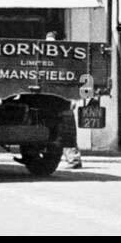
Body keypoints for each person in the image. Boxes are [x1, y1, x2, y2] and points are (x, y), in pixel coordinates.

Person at [45, 31, 83, 170]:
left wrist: (73, 98)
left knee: (66, 129)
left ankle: (74, 159)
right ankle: (68, 158)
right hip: (50, 99)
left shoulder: (67, 59)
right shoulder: (48, 58)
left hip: (62, 99)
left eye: (52, 43)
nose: (50, 46)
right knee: (58, 130)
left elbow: (73, 78)